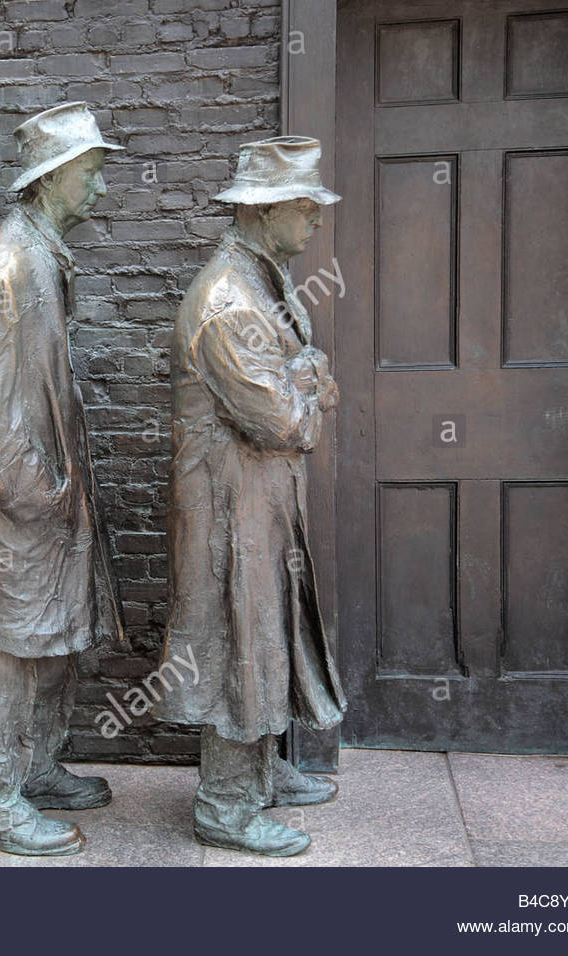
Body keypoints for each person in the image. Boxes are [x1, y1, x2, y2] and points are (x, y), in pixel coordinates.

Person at [0, 103, 126, 856]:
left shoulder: (42, 255)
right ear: (52, 180)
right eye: (91, 173)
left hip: (41, 500)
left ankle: (34, 767)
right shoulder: (14, 264)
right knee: (8, 648)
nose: (98, 190)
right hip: (19, 505)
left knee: (45, 638)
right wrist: (37, 491)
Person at [154, 136, 347, 857]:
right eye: (305, 207)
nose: (316, 222)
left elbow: (295, 397)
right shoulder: (230, 303)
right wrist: (308, 377)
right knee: (238, 637)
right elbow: (286, 420)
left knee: (267, 634)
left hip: (259, 500)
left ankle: (261, 771)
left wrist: (302, 375)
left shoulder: (266, 280)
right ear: (266, 211)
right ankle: (227, 804)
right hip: (230, 510)